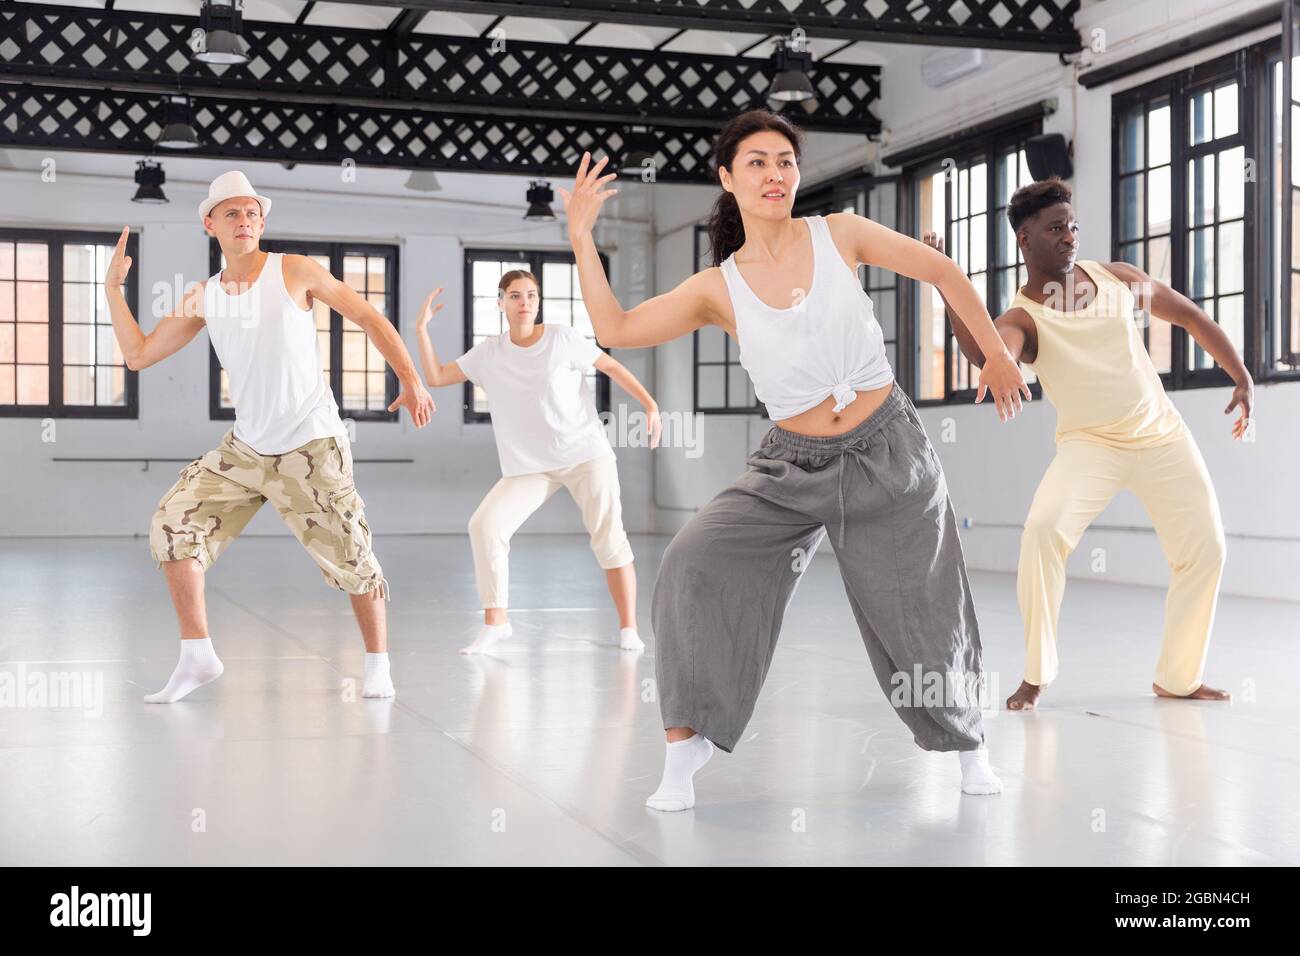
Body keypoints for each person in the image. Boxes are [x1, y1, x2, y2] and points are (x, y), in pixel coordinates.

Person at [561, 109, 1033, 811]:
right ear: (727, 179)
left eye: (784, 160)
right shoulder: (717, 287)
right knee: (693, 561)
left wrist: (996, 354)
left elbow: (938, 267)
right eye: (756, 162)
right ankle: (685, 745)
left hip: (889, 449)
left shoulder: (840, 234)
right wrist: (578, 236)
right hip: (792, 463)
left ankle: (967, 742)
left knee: (925, 607)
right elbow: (617, 329)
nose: (773, 174)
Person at [105, 170, 434, 703]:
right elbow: (139, 354)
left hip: (311, 444)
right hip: (248, 449)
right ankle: (197, 656)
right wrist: (113, 290)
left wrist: (412, 379)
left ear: (262, 221)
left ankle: (378, 665)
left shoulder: (293, 270)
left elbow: (368, 316)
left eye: (253, 212)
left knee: (353, 557)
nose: (245, 221)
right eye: (232, 213)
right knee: (172, 525)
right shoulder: (205, 296)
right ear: (211, 224)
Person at [924, 176, 1247, 710]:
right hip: (1090, 446)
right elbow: (990, 356)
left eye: (1073, 226)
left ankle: (1179, 676)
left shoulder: (1118, 278)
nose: (1070, 236)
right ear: (1025, 240)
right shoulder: (1024, 316)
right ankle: (1037, 672)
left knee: (1206, 548)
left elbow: (1188, 315)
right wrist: (944, 283)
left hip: (1161, 435)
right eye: (1056, 229)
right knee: (1043, 531)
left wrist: (1241, 375)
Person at [412, 272, 660, 654]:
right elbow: (437, 375)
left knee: (609, 539)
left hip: (584, 455)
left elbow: (610, 366)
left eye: (531, 295)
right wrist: (421, 330)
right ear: (501, 303)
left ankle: (629, 628)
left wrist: (650, 404)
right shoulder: (489, 353)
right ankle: (497, 624)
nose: (524, 302)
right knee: (485, 526)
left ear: (538, 301)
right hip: (530, 467)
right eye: (515, 296)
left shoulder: (561, 338)